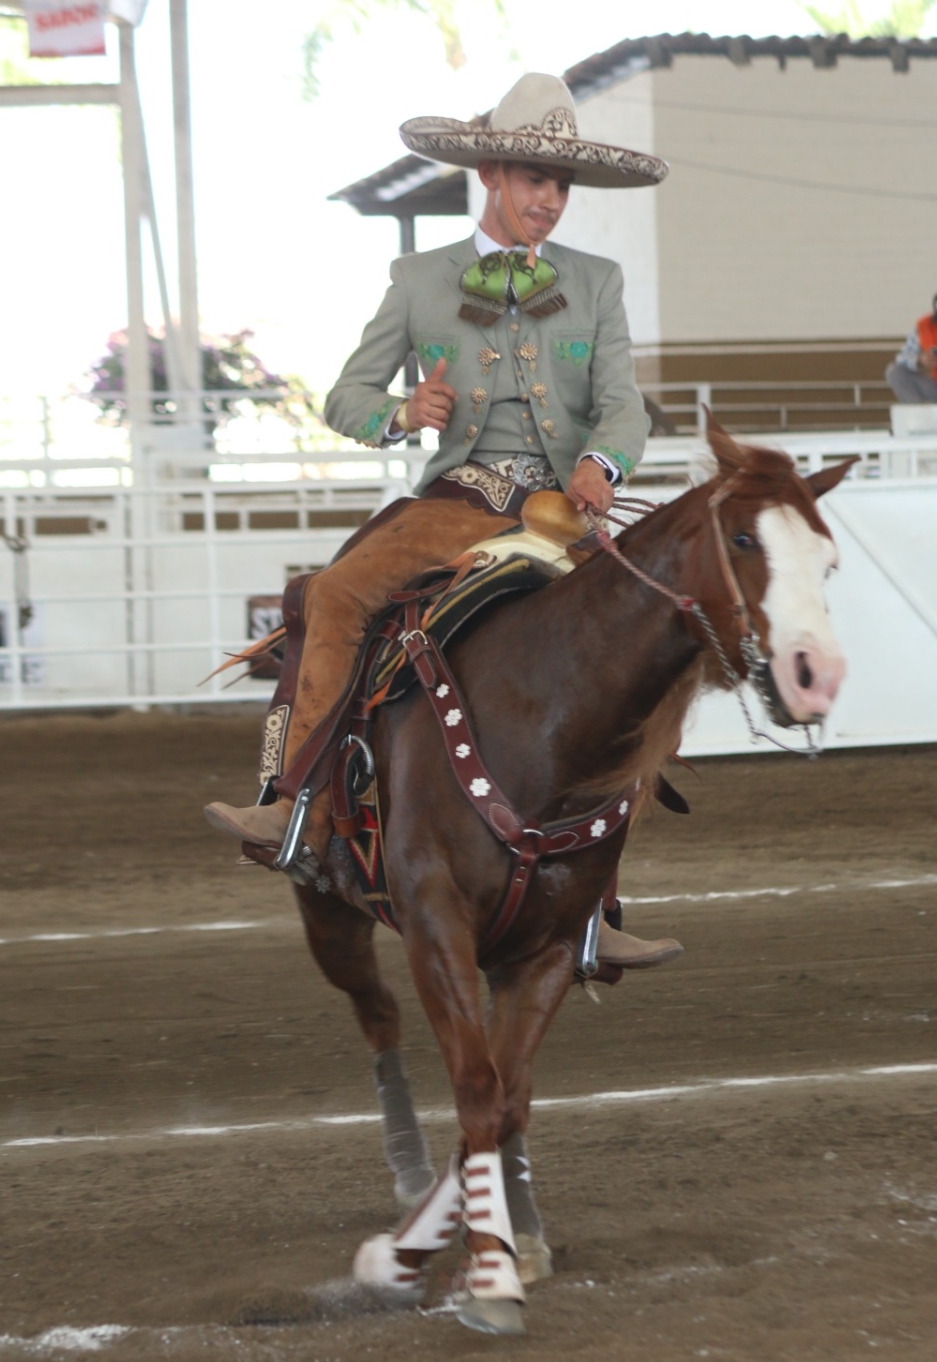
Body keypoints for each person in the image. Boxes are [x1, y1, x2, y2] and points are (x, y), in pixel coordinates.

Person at [206, 72, 682, 970]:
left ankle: (594, 907)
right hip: (453, 503)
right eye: (534, 180)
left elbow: (624, 409)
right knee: (338, 594)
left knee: (641, 661)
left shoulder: (596, 282)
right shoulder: (418, 280)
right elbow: (342, 396)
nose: (549, 200)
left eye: (560, 185)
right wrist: (399, 412)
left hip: (560, 515)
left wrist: (600, 463)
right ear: (492, 176)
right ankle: (295, 805)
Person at [885, 290, 937, 404]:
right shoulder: (924, 327)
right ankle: (917, 416)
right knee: (895, 372)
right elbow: (902, 357)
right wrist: (920, 360)